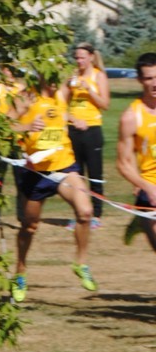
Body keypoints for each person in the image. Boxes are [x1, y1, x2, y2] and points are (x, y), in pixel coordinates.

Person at [8, 68, 97, 303]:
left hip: (65, 167)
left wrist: (72, 118)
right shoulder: (27, 96)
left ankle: (80, 263)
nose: (59, 80)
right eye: (52, 74)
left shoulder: (63, 93)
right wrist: (27, 127)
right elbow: (2, 125)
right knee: (30, 226)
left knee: (86, 212)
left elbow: (58, 110)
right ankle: (19, 273)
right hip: (35, 172)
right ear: (41, 74)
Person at [65, 42, 110, 230]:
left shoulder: (99, 76)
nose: (79, 61)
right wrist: (73, 119)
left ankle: (96, 215)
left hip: (92, 130)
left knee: (94, 174)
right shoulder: (72, 76)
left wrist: (89, 90)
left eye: (82, 57)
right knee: (76, 174)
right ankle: (80, 213)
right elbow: (61, 105)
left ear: (91, 57)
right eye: (76, 57)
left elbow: (105, 103)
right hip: (73, 130)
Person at [116, 52, 156, 251]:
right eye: (149, 78)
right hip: (152, 189)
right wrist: (144, 186)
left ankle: (140, 221)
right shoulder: (131, 117)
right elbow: (123, 162)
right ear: (140, 80)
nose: (155, 84)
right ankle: (142, 220)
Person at [0, 63, 25, 229]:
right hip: (1, 140)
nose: (5, 72)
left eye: (8, 69)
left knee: (22, 182)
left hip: (17, 140)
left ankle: (24, 218)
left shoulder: (21, 88)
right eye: (4, 69)